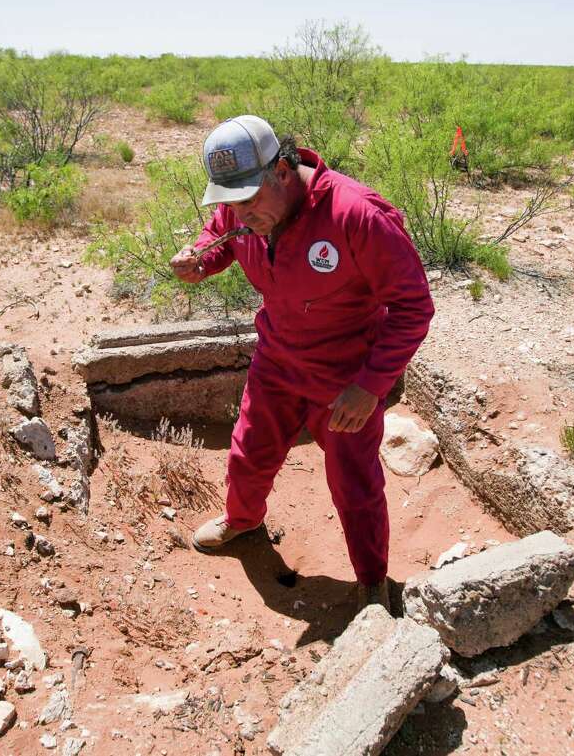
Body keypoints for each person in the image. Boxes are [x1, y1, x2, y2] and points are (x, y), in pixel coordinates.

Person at [169, 115, 434, 610]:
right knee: (249, 450)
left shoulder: (356, 215)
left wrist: (370, 385)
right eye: (230, 201)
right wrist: (199, 259)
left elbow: (414, 305)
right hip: (277, 359)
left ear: (284, 172)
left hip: (344, 376)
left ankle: (372, 581)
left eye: (249, 200)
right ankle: (243, 521)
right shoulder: (244, 209)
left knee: (353, 483)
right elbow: (218, 236)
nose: (240, 214)